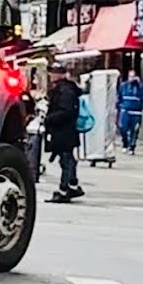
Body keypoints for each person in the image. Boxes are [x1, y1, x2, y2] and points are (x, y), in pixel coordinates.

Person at [44, 62, 85, 203]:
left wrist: (48, 119)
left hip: (64, 131)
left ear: (62, 74)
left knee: (66, 160)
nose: (51, 75)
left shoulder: (65, 91)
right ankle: (72, 185)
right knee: (67, 159)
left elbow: (66, 112)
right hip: (63, 131)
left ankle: (64, 189)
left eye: (55, 72)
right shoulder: (62, 89)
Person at [117, 69, 143, 154]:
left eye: (133, 76)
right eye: (130, 76)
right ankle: (125, 144)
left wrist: (140, 83)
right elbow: (119, 96)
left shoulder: (139, 87)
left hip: (136, 112)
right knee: (123, 128)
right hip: (125, 111)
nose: (131, 78)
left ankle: (132, 147)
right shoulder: (124, 86)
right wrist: (120, 107)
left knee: (134, 130)